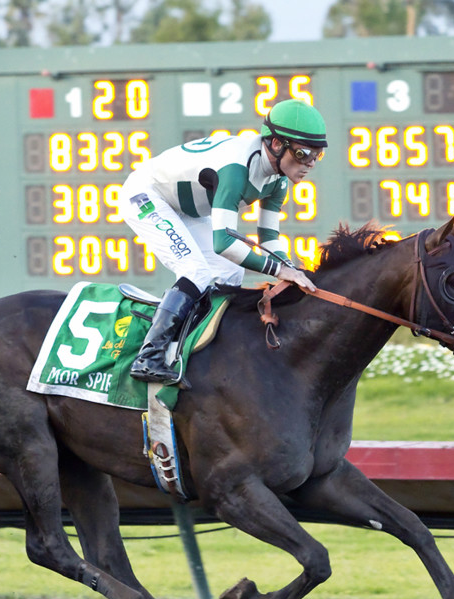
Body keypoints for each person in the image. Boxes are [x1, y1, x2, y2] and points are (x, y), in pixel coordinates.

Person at [120, 98, 324, 385]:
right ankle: (149, 356)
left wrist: (292, 269)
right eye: (303, 153)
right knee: (196, 271)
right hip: (147, 195)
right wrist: (280, 271)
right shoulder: (237, 167)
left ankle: (197, 349)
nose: (311, 164)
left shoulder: (278, 179)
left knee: (230, 274)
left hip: (186, 208)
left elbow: (269, 238)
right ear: (276, 145)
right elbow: (224, 243)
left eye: (318, 155)